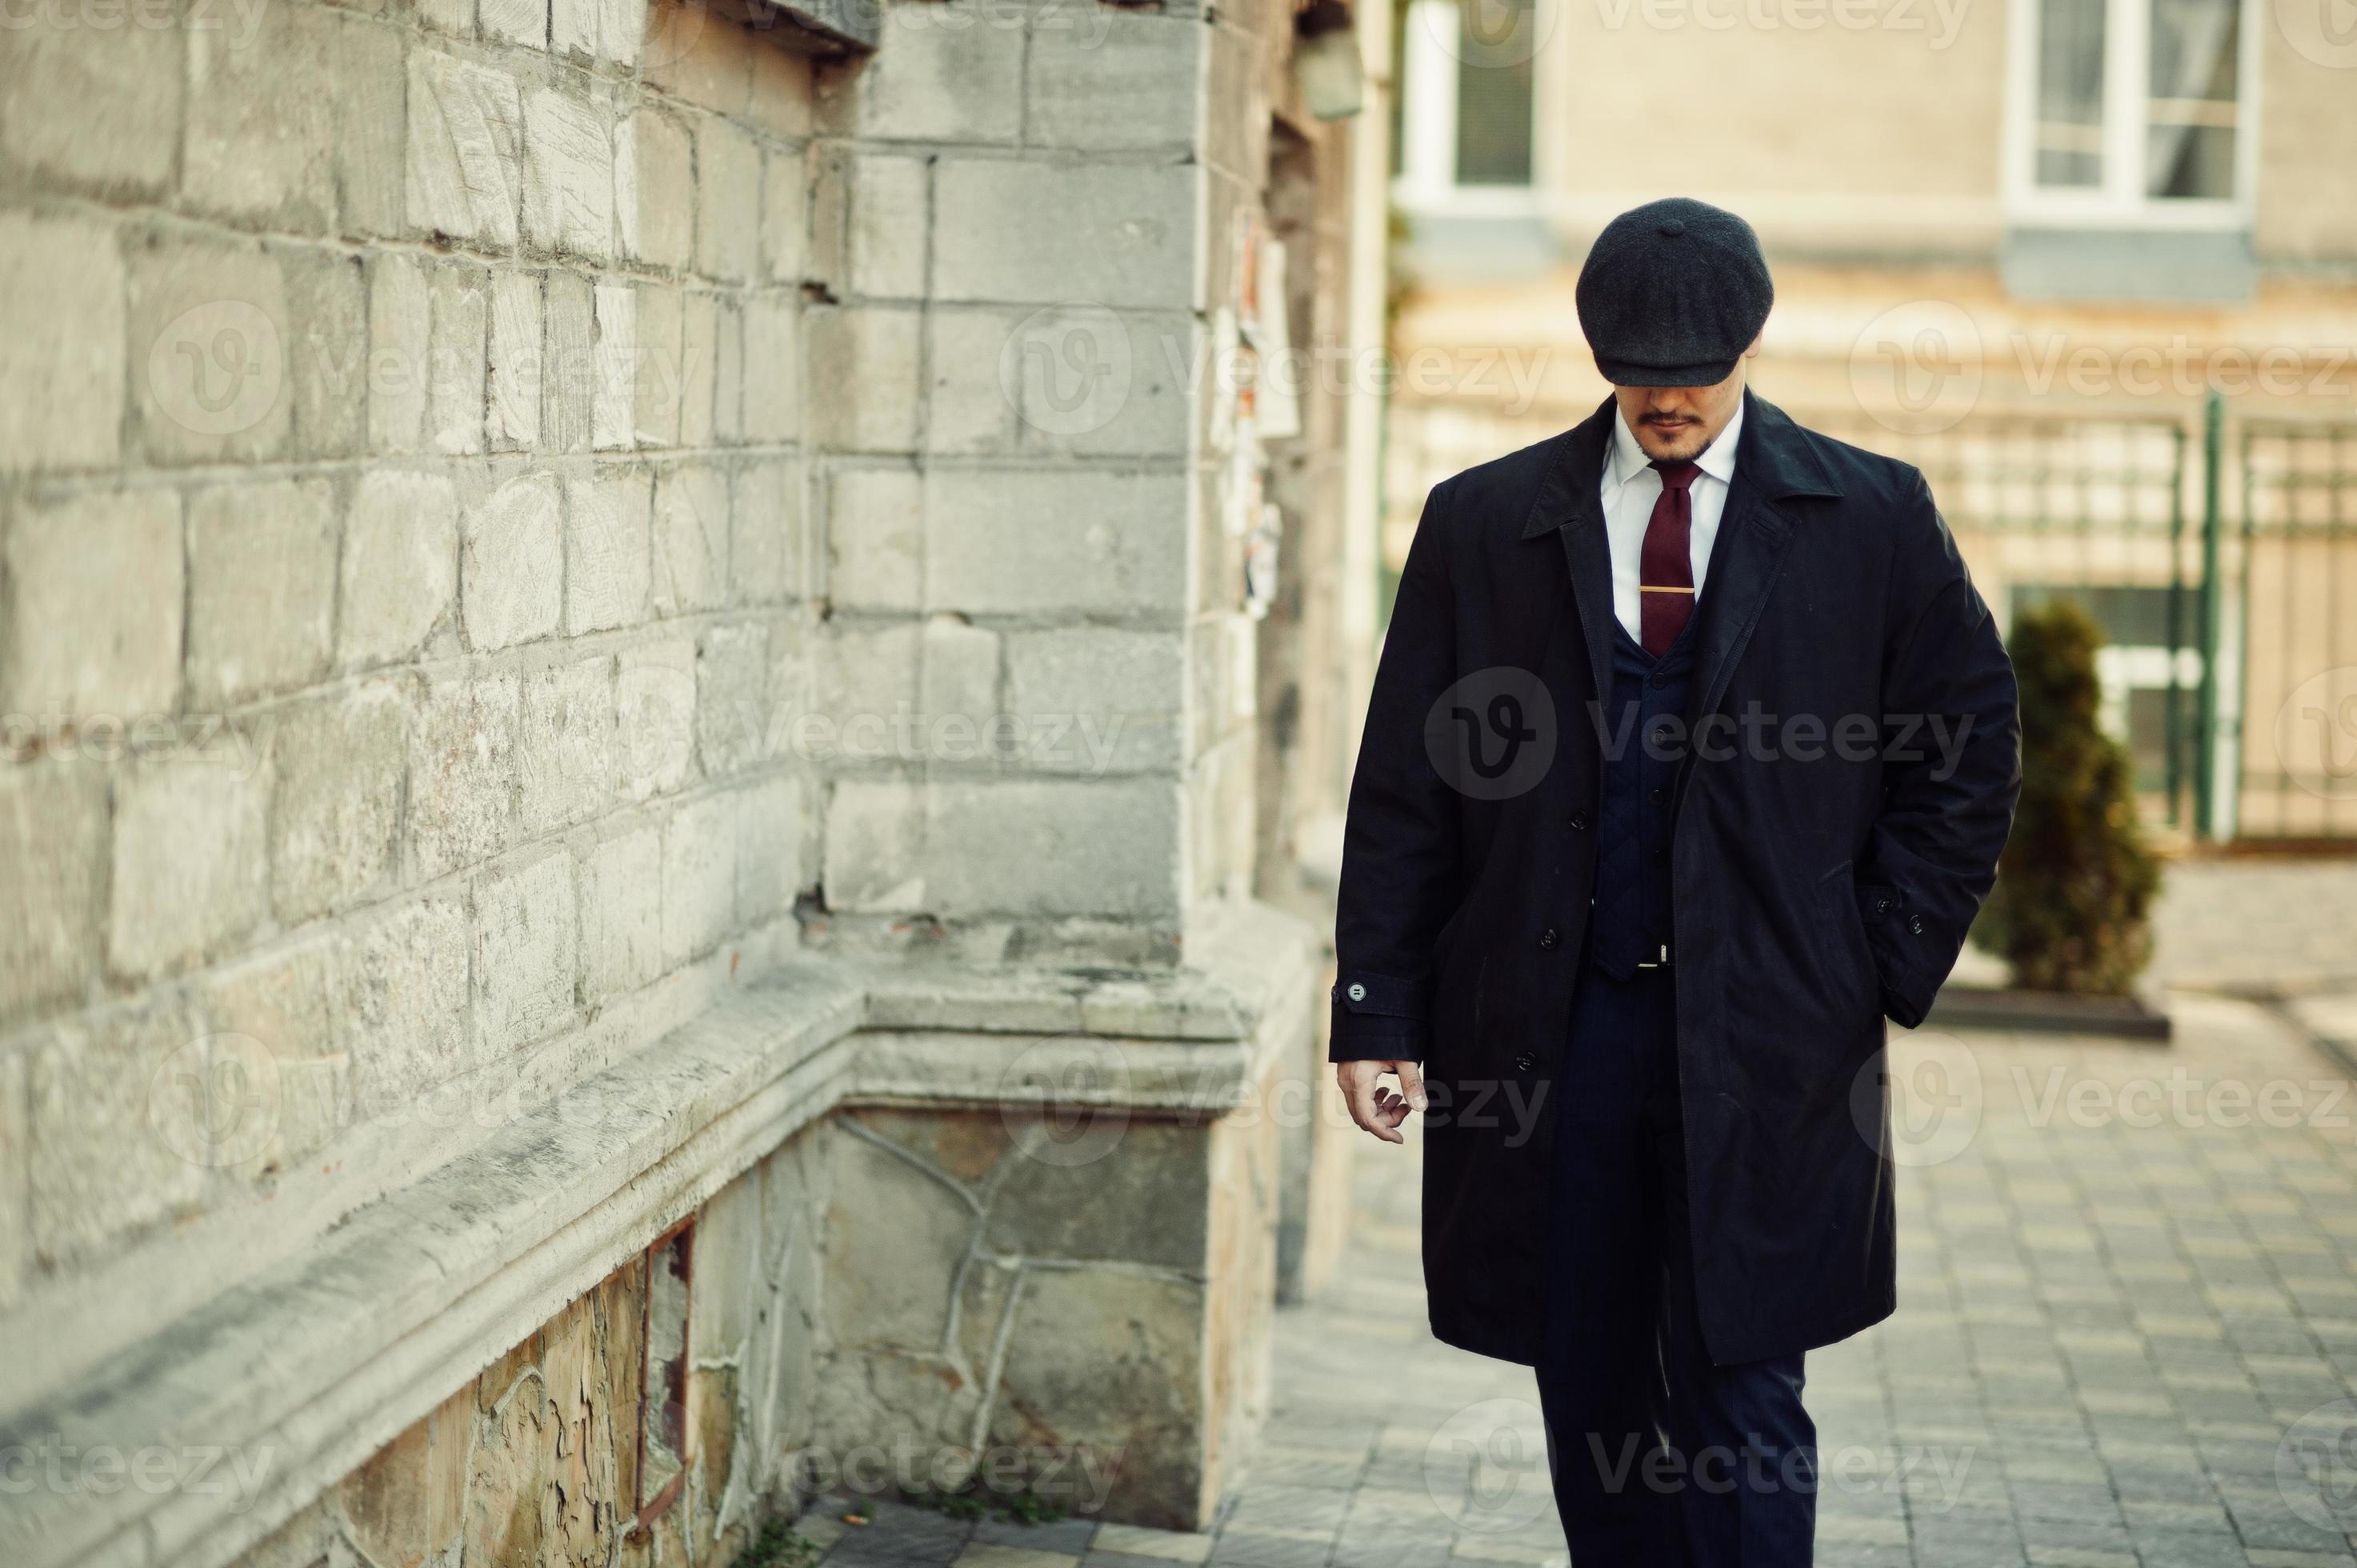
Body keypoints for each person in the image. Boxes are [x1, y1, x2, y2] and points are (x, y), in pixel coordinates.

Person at [1328, 197, 2020, 1566]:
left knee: (1744, 1383)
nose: (1664, 397)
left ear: (1747, 346)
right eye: (1634, 368)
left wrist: (1867, 955)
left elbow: (1967, 747)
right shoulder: (1481, 524)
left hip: (1765, 1039)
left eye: (1692, 367)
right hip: (1547, 1034)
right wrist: (1375, 1013)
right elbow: (1409, 787)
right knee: (1584, 1381)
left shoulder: (1870, 517)